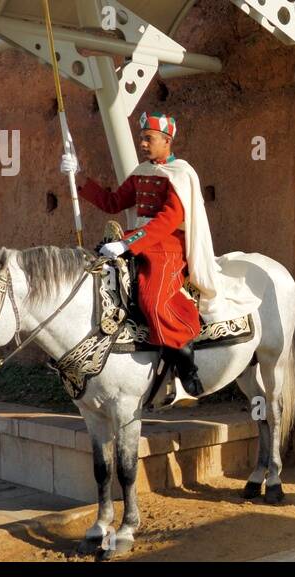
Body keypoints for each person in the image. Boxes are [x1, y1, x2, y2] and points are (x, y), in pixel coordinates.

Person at [60, 111, 221, 407]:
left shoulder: (181, 174)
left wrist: (127, 243)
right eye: (142, 138)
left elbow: (167, 220)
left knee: (153, 299)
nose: (143, 144)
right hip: (137, 239)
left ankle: (187, 368)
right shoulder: (141, 171)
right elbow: (113, 202)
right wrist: (80, 178)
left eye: (149, 139)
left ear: (166, 141)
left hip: (167, 246)